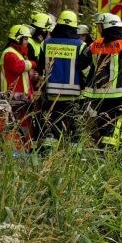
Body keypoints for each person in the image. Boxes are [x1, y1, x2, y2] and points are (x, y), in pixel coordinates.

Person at [39, 10, 93, 145]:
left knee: (53, 127)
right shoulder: (81, 46)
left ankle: (50, 152)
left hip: (52, 94)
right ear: (75, 27)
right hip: (74, 95)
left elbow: (40, 67)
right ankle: (75, 153)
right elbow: (86, 71)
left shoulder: (45, 43)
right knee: (75, 128)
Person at [82, 12, 122, 149]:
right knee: (116, 121)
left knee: (103, 121)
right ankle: (110, 149)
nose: (99, 30)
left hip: (98, 94)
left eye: (100, 26)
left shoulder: (95, 44)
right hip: (118, 94)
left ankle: (112, 147)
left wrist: (89, 79)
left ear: (107, 27)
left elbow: (82, 62)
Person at [0, 24, 37, 142]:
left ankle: (25, 145)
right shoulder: (10, 53)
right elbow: (18, 67)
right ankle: (20, 145)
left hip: (21, 98)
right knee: (18, 125)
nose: (27, 42)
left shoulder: (18, 53)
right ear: (17, 38)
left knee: (24, 124)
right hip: (13, 96)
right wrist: (32, 63)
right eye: (25, 39)